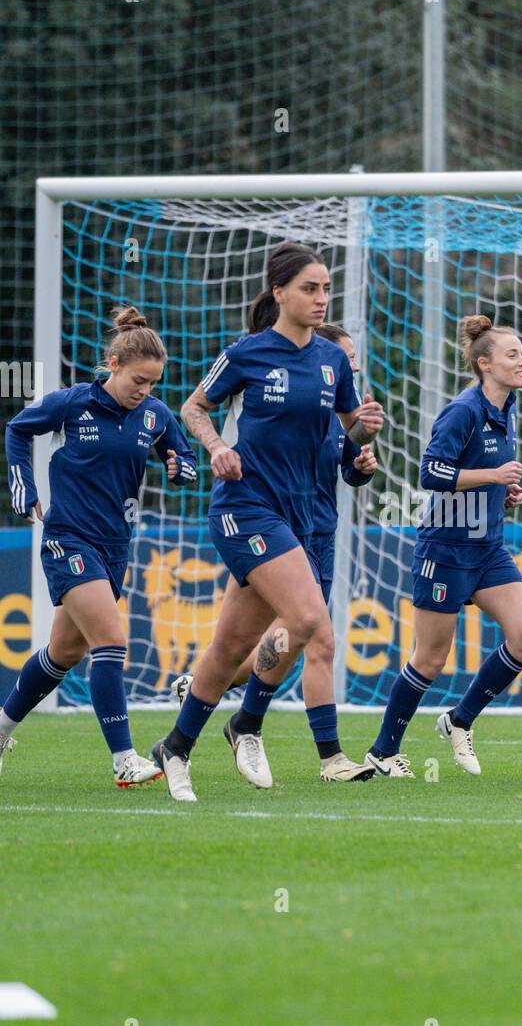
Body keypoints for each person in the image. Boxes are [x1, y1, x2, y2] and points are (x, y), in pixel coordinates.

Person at [151, 241, 384, 802]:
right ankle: (248, 724)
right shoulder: (247, 353)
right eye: (310, 288)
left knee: (230, 647)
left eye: (326, 288)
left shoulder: (332, 361)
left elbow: (350, 426)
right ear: (279, 293)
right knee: (305, 616)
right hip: (244, 506)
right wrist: (214, 447)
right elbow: (193, 407)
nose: (321, 298)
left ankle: (176, 746)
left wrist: (365, 432)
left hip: (301, 515)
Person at [0, 306, 197, 786]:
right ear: (114, 365)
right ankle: (124, 759)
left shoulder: (155, 415)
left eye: (153, 383)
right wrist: (23, 488)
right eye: (138, 380)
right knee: (110, 641)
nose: (144, 391)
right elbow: (17, 429)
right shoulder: (72, 403)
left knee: (63, 653)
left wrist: (180, 469)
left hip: (115, 547)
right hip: (69, 539)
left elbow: (185, 458)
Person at [365, 314, 522, 778]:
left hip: (490, 549)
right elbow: (430, 473)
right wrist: (493, 476)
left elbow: (484, 477)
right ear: (485, 364)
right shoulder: (464, 410)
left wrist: (505, 495)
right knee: (430, 658)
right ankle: (382, 752)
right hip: (445, 550)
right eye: (513, 354)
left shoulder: (510, 405)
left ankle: (459, 720)